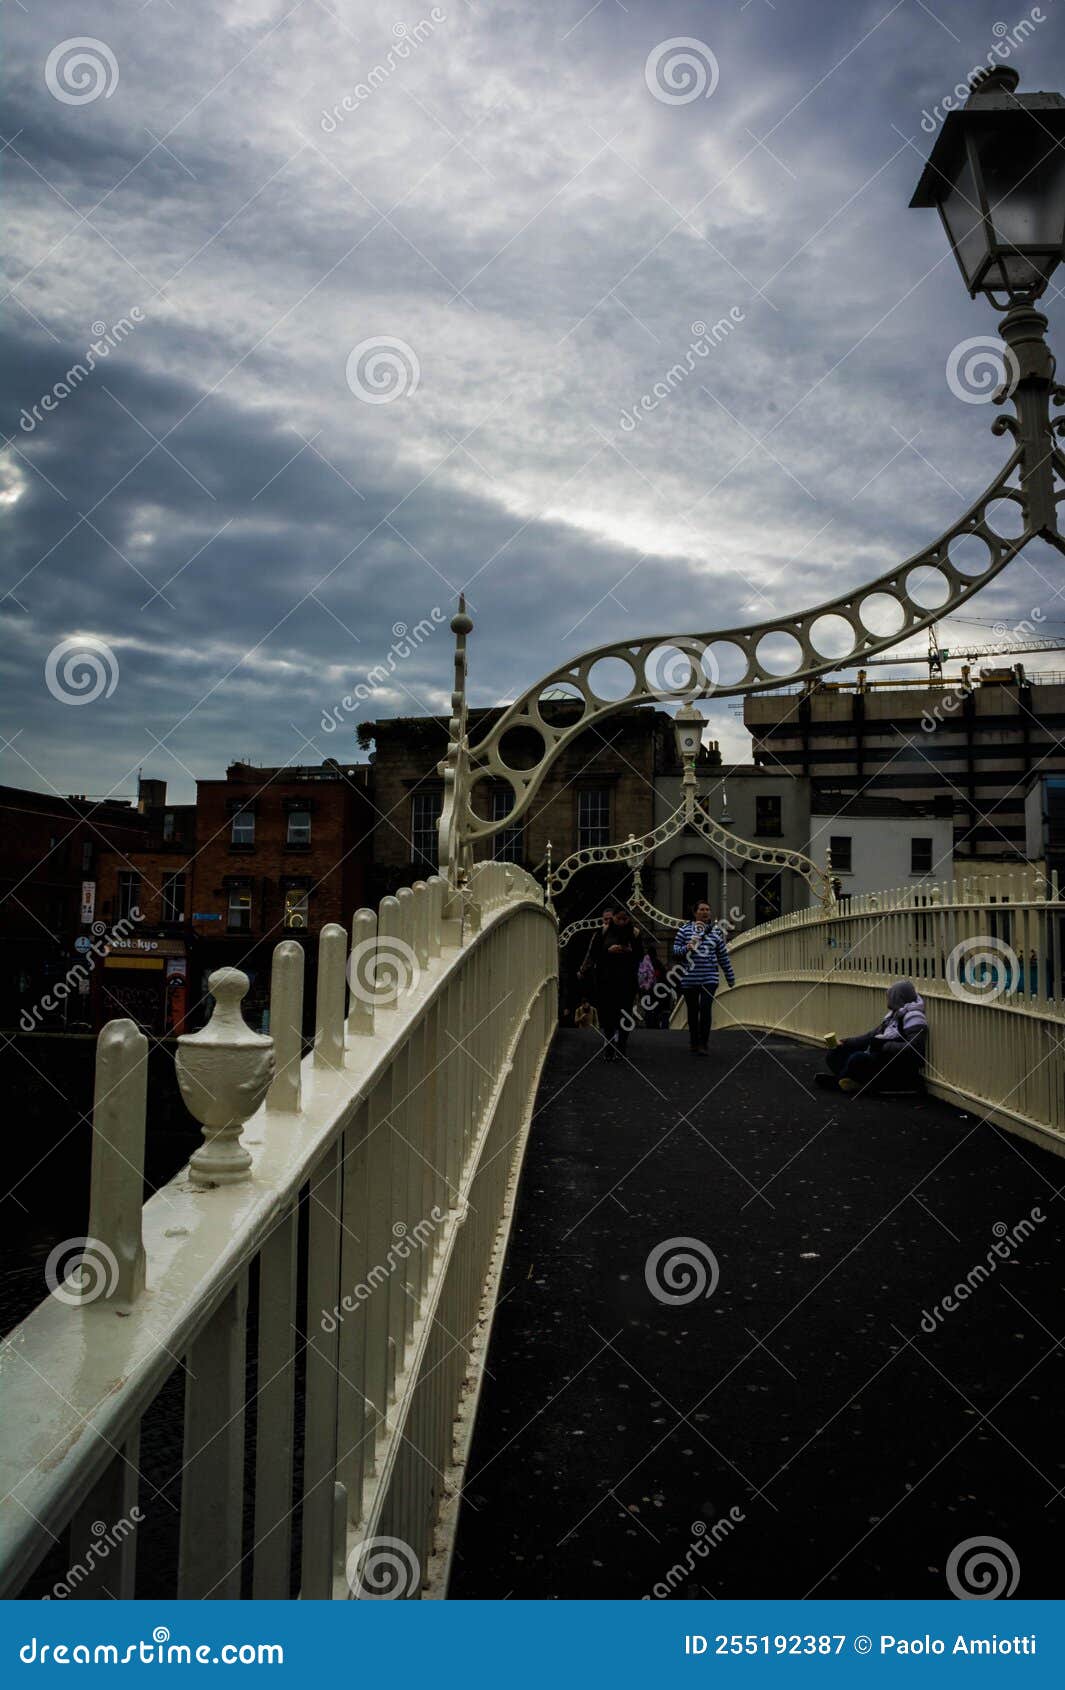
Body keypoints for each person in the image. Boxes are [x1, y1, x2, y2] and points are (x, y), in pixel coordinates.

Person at [817, 980, 928, 1094]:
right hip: (880, 1054)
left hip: (895, 1062)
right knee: (835, 1054)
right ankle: (848, 1080)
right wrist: (846, 1042)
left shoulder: (914, 1017)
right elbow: (871, 1035)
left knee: (858, 1059)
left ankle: (840, 1081)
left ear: (897, 997)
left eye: (890, 996)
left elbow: (915, 1047)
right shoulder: (893, 1015)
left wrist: (884, 1046)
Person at [673, 901, 735, 1054]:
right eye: (702, 909)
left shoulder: (715, 933)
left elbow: (722, 956)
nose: (705, 912)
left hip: (709, 978)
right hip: (689, 978)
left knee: (705, 1009)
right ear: (695, 913)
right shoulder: (684, 931)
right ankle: (694, 1041)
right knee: (693, 1011)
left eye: (708, 909)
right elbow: (675, 951)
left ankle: (703, 1043)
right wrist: (687, 947)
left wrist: (730, 976)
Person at [585, 907, 641, 1060]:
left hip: (627, 981)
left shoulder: (634, 934)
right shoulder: (602, 933)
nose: (622, 922)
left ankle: (622, 1046)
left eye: (625, 919)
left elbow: (640, 956)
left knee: (625, 1013)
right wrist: (608, 951)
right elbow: (594, 955)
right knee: (609, 1014)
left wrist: (630, 950)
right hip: (607, 981)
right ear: (614, 919)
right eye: (619, 919)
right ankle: (609, 1047)